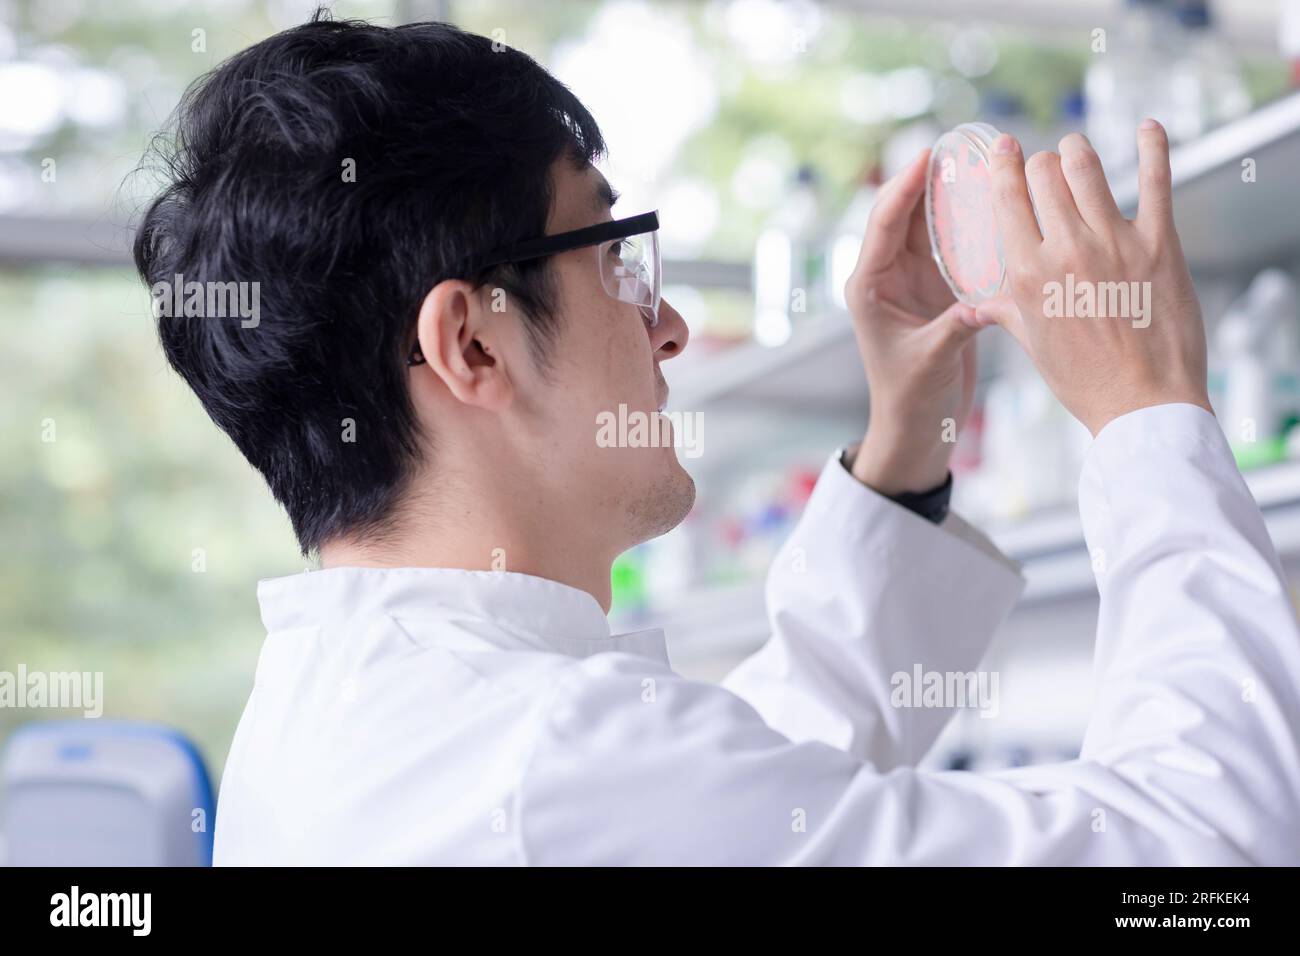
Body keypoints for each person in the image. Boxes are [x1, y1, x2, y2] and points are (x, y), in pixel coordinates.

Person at [133, 13, 1300, 865]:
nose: (674, 324)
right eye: (613, 258)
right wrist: (1145, 408)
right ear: (471, 346)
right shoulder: (552, 757)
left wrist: (905, 444)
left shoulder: (349, 708)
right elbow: (1207, 854)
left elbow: (753, 799)